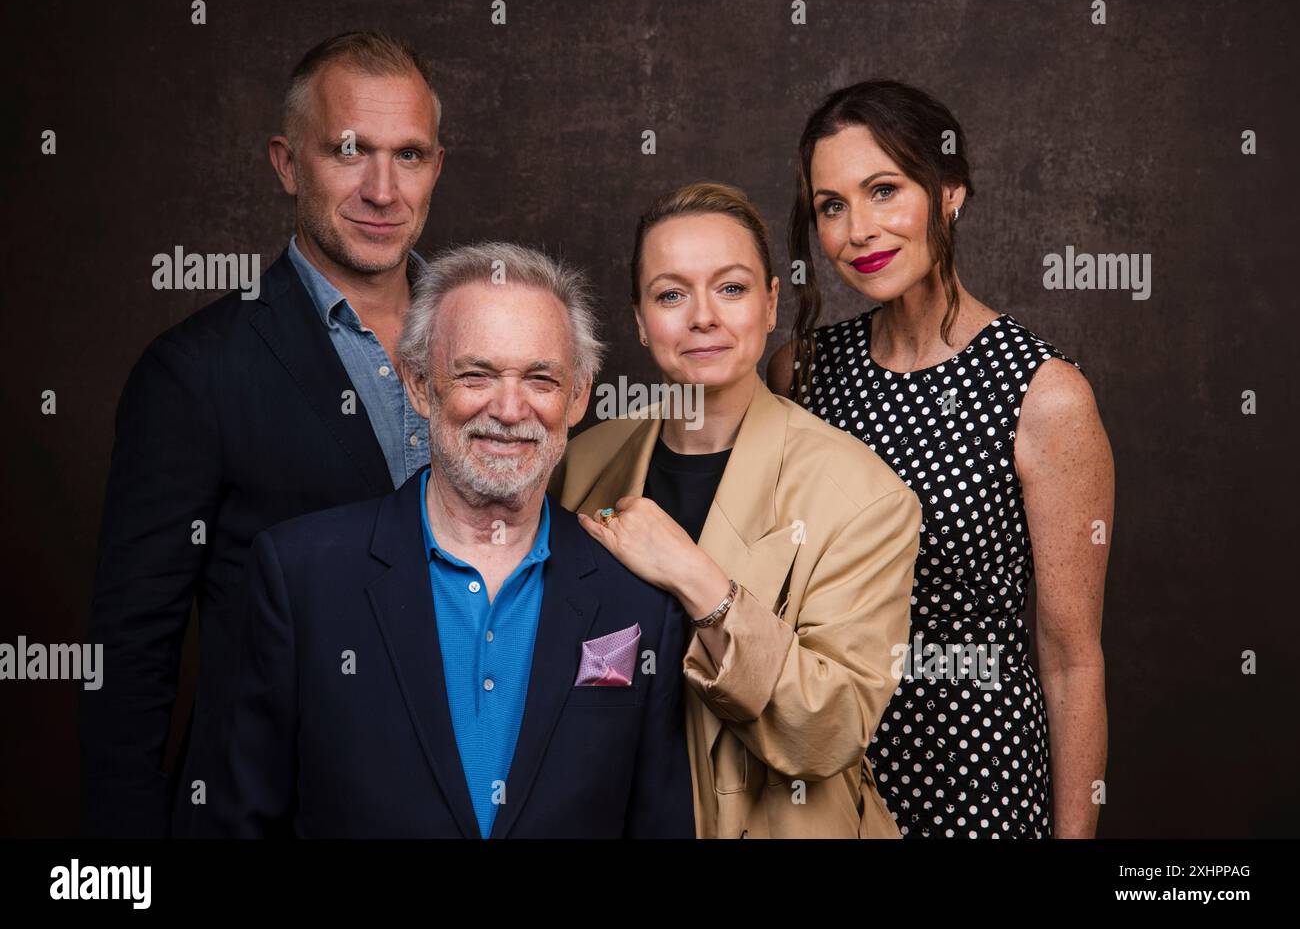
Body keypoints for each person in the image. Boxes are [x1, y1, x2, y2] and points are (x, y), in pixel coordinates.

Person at [82, 31, 445, 837]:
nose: (383, 189)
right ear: (287, 163)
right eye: (350, 151)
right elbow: (132, 656)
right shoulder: (195, 373)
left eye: (409, 155)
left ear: (435, 168)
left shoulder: (489, 346)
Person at [210, 243, 695, 838]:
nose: (510, 409)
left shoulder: (639, 603)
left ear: (578, 397)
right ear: (418, 385)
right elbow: (242, 826)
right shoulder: (300, 577)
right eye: (476, 374)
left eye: (540, 379)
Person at [771, 79, 1113, 838]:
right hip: (823, 776)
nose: (858, 230)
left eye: (883, 190)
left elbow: (1070, 659)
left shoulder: (1044, 395)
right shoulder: (802, 372)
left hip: (974, 780)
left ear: (949, 191)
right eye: (831, 206)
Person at [551, 182, 921, 838]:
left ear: (772, 301)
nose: (702, 317)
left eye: (730, 287)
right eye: (670, 293)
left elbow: (827, 730)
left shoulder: (865, 495)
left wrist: (699, 580)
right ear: (639, 318)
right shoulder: (584, 461)